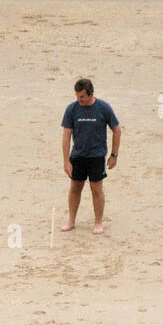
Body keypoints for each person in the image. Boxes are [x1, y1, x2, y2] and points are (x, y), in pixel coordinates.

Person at [60, 78, 121, 234]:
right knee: (75, 188)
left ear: (90, 94)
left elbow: (117, 130)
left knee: (97, 190)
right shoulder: (72, 109)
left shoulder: (103, 108)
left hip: (96, 156)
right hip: (78, 156)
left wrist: (114, 155)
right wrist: (66, 160)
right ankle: (71, 221)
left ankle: (98, 222)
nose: (79, 99)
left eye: (82, 96)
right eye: (77, 96)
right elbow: (66, 136)